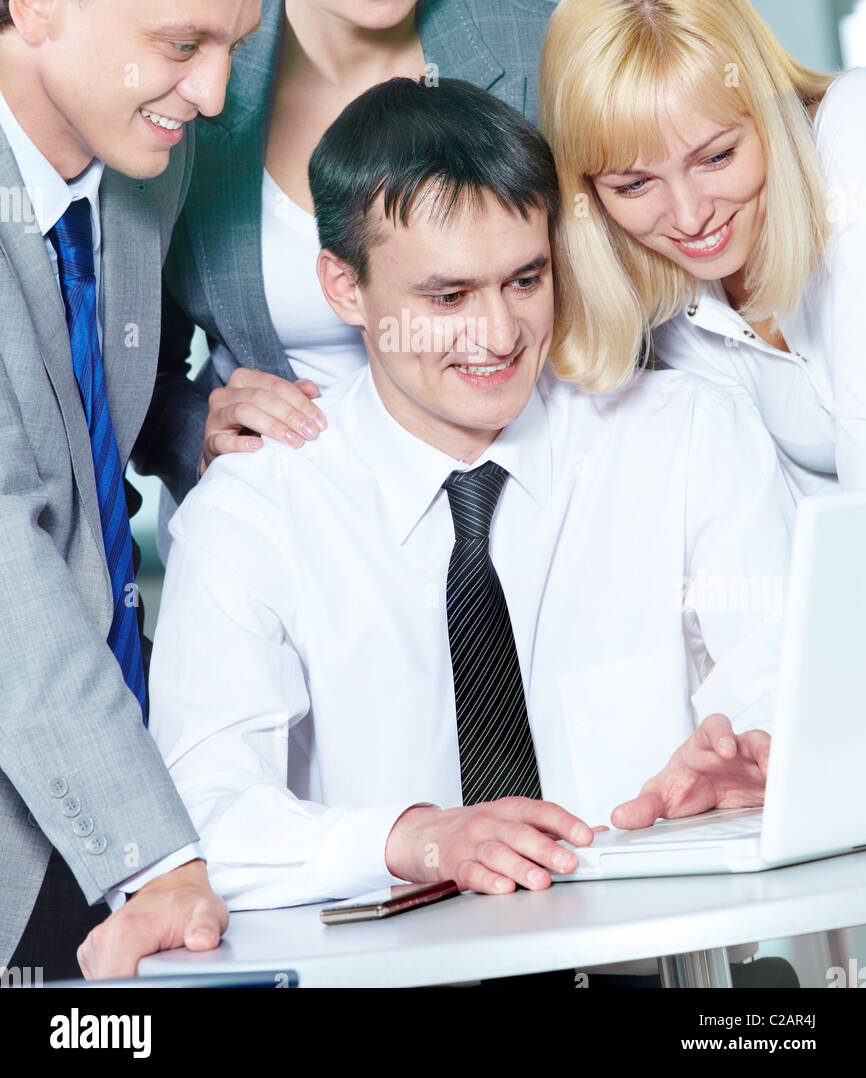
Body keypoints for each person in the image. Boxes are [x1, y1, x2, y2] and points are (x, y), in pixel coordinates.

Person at [148, 76, 793, 923]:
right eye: (448, 298)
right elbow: (201, 817)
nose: (497, 336)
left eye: (525, 281)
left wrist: (762, 761)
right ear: (344, 288)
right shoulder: (252, 513)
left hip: (661, 965)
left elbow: (785, 686)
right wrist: (415, 840)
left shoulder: (687, 435)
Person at [130, 0, 556, 543]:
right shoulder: (188, 90)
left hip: (526, 525)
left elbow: (641, 320)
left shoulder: (539, 53)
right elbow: (128, 357)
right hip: (294, 546)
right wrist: (198, 428)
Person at [0, 0, 277, 981]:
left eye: (231, 49)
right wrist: (149, 852)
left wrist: (181, 419)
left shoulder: (140, 165)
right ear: (37, 1)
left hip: (112, 774)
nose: (212, 95)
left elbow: (81, 368)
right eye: (180, 48)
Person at [538, 0, 865, 498]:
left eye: (716, 158)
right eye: (634, 184)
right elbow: (786, 514)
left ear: (768, 108)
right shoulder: (672, 311)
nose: (690, 219)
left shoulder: (852, 138)